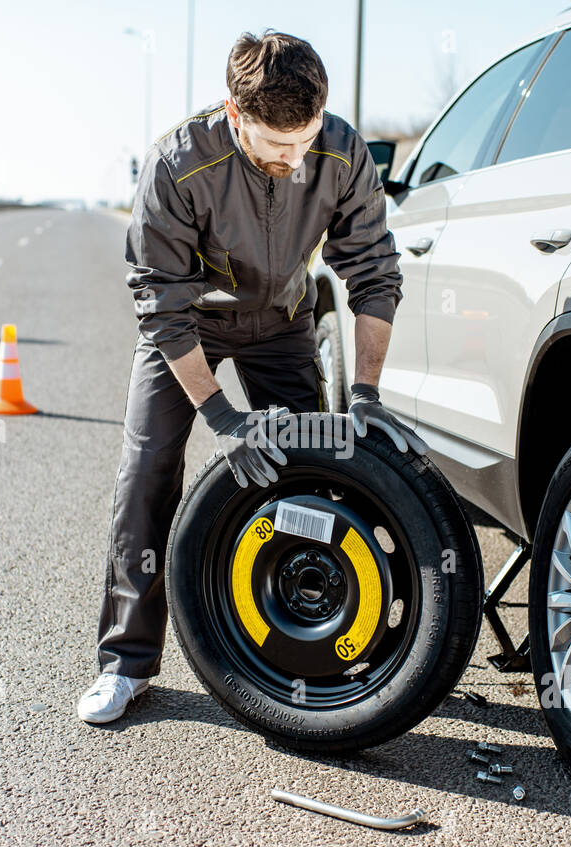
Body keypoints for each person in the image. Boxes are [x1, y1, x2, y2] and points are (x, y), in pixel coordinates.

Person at [79, 29, 428, 724]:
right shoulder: (174, 166)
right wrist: (222, 417)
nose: (292, 160)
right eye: (275, 147)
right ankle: (126, 663)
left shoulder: (342, 150)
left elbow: (373, 274)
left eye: (304, 143)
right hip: (191, 327)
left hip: (282, 322)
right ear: (236, 116)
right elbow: (161, 309)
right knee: (147, 469)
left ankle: (309, 645)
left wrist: (365, 394)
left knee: (313, 468)